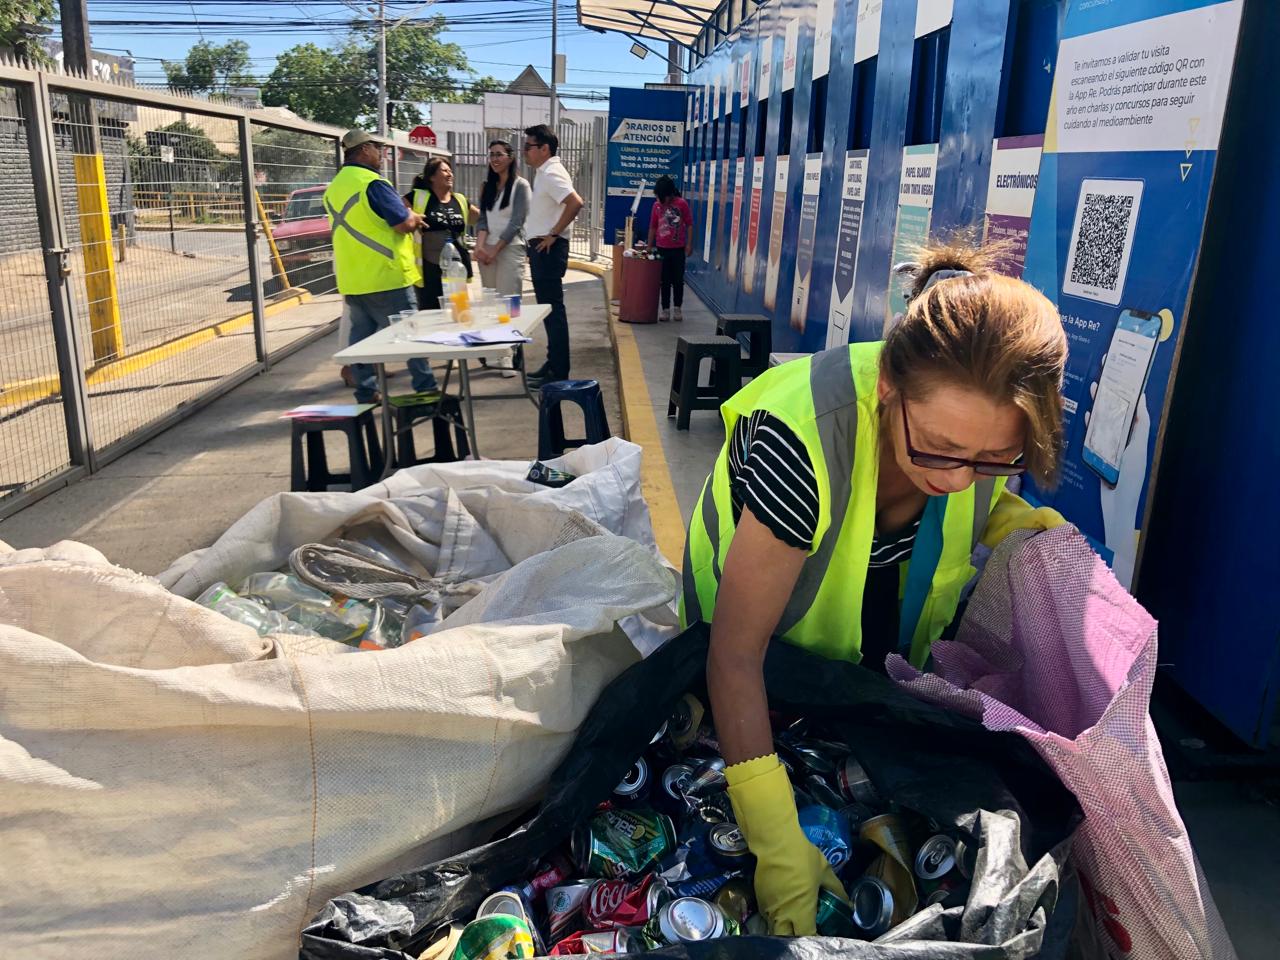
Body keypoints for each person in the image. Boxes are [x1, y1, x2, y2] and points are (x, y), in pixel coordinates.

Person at [681, 238, 1070, 936]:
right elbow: (734, 656)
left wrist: (1022, 525)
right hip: (740, 652)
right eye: (938, 450)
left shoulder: (972, 432)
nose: (957, 479)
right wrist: (773, 837)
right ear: (889, 385)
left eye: (993, 460)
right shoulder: (802, 440)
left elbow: (961, 501)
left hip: (860, 636)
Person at [324, 129, 437, 403]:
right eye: (377, 148)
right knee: (410, 334)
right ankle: (427, 389)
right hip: (387, 275)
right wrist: (414, 217)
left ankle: (366, 392)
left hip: (353, 279)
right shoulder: (373, 183)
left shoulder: (334, 187)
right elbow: (402, 223)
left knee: (361, 340)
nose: (381, 154)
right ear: (364, 150)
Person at [521, 124, 584, 388]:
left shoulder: (551, 172)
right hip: (542, 248)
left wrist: (553, 234)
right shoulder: (544, 172)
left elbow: (575, 202)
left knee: (553, 311)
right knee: (550, 312)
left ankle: (558, 372)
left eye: (529, 146)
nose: (525, 151)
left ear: (544, 149)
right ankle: (553, 363)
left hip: (548, 249)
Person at [407, 156, 479, 311]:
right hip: (429, 269)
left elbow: (480, 218)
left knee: (458, 311)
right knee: (431, 313)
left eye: (450, 171)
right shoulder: (418, 197)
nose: (450, 174)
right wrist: (411, 216)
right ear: (432, 177)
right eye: (444, 171)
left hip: (457, 269)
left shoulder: (460, 199)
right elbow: (398, 214)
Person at [474, 140, 531, 297]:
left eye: (499, 155)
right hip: (487, 250)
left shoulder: (521, 185)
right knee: (490, 301)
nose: (494, 159)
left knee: (509, 301)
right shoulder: (486, 186)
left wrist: (495, 250)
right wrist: (479, 247)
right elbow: (483, 219)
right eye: (492, 155)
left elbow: (516, 222)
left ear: (510, 158)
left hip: (511, 249)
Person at [646, 175, 693, 321]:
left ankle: (677, 308)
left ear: (670, 194)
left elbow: (689, 224)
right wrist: (649, 245)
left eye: (663, 197)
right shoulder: (656, 206)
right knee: (664, 281)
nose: (661, 200)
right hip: (662, 248)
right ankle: (665, 309)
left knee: (678, 280)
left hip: (678, 249)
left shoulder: (682, 204)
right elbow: (653, 226)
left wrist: (689, 244)